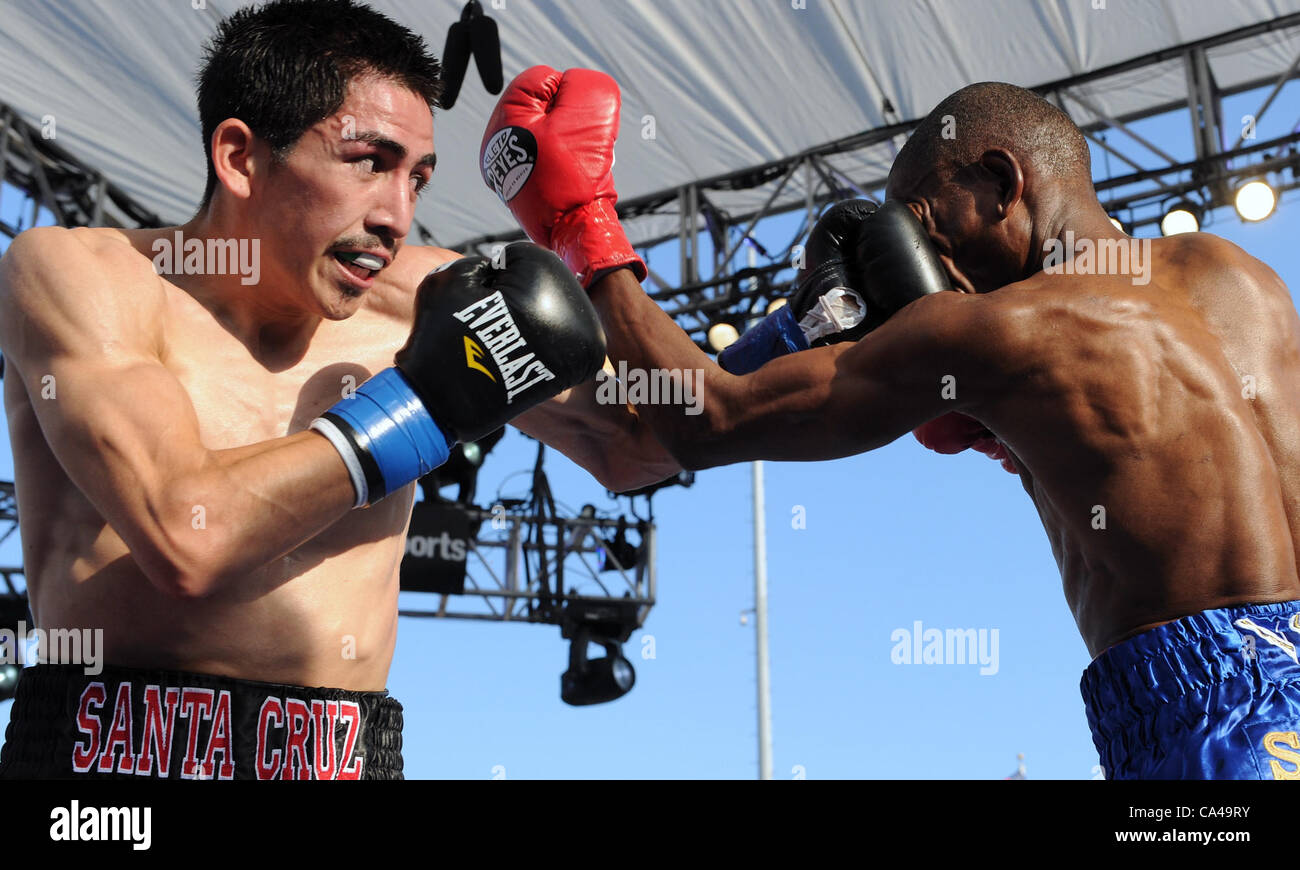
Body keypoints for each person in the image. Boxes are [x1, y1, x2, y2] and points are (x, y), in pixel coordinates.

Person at [486, 70, 1300, 780]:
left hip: (1214, 732)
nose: (916, 256)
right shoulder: (1241, 277)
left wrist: (581, 226)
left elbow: (705, 420)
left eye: (919, 217)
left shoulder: (1005, 331)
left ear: (999, 180)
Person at [0, 0, 678, 780]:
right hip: (106, 765)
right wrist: (427, 405)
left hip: (339, 756)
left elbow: (644, 446)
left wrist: (591, 239)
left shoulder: (424, 298)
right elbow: (188, 537)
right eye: (369, 162)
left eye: (418, 178)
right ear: (240, 157)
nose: (398, 215)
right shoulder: (83, 275)